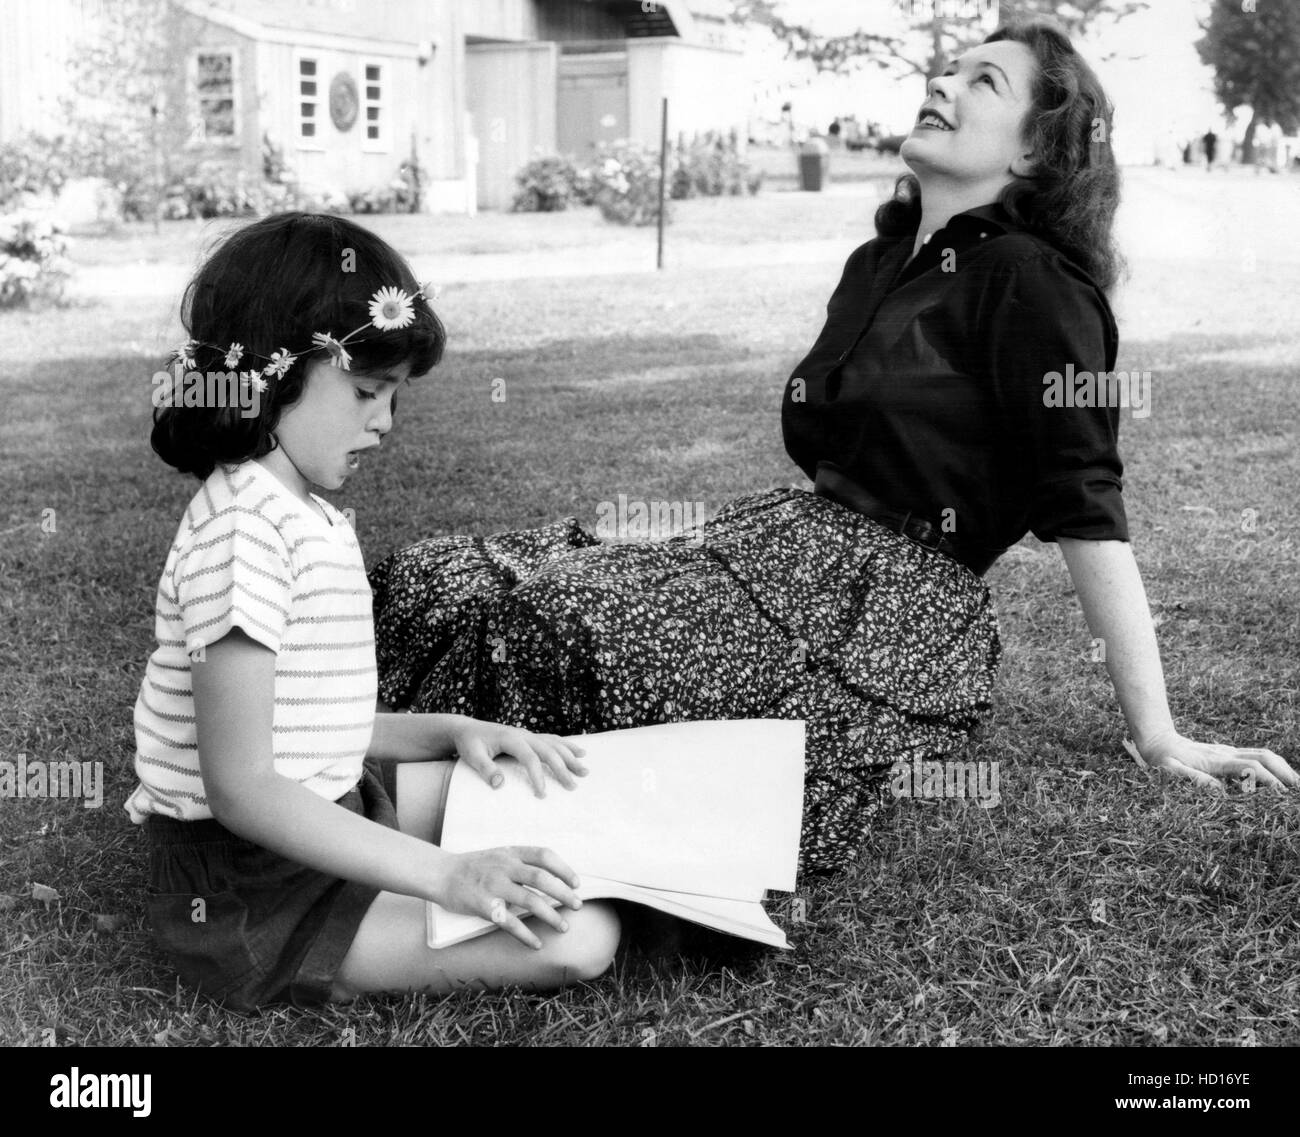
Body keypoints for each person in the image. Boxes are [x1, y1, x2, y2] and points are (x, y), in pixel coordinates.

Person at [371, 21, 1297, 882]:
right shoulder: (875, 265)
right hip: (778, 544)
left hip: (892, 607)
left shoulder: (1033, 285)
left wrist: (1161, 731)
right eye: (950, 68)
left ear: (1033, 150)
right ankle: (311, 764)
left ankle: (377, 814)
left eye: (985, 80)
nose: (945, 82)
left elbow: (1086, 501)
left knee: (559, 625)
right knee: (438, 577)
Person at [128, 212, 621, 1012]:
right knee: (582, 936)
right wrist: (448, 875)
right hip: (255, 894)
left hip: (328, 819)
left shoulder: (294, 506)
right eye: (365, 391)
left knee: (553, 812)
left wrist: (447, 728)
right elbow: (245, 786)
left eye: (392, 396)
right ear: (272, 374)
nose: (384, 423)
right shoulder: (242, 534)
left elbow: (308, 724)